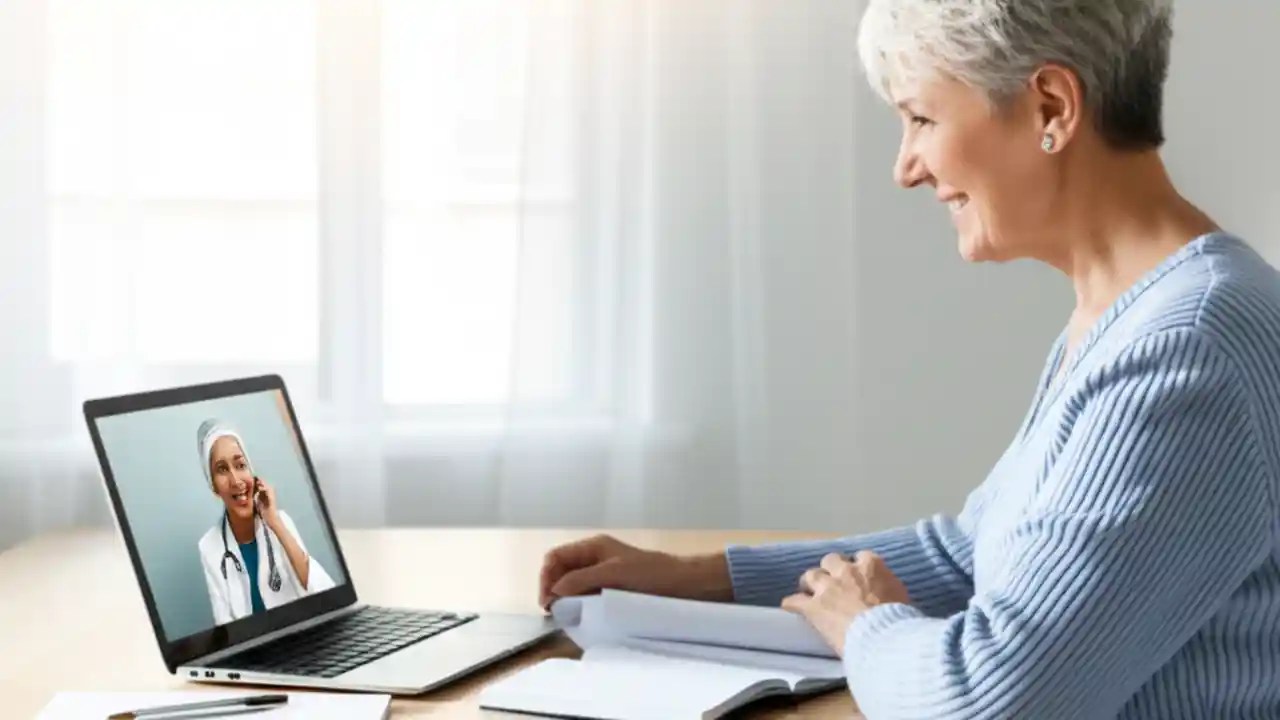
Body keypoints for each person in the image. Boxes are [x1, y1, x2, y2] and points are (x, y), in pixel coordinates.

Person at [538, 1, 1280, 716]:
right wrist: (697, 581)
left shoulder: (1186, 353)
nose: (907, 167)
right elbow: (971, 555)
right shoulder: (1138, 316)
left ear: (1052, 107)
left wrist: (864, 625)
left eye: (920, 117)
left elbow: (989, 703)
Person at [196, 419, 335, 625]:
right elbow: (224, 626)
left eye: (240, 465)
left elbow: (322, 594)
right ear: (213, 485)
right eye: (222, 469)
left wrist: (275, 523)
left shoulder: (281, 522)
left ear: (252, 473)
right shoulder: (209, 547)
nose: (236, 480)